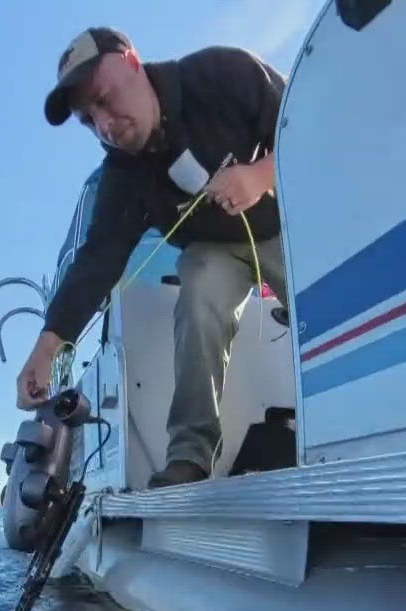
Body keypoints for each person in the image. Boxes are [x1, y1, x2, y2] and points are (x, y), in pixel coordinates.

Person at [15, 27, 288, 488]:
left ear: (131, 61)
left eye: (103, 99)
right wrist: (45, 349)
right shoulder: (124, 174)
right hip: (214, 252)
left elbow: (312, 122)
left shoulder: (223, 73)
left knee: (321, 300)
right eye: (88, 120)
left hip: (288, 224)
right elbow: (98, 259)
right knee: (198, 290)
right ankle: (191, 456)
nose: (103, 124)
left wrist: (262, 174)